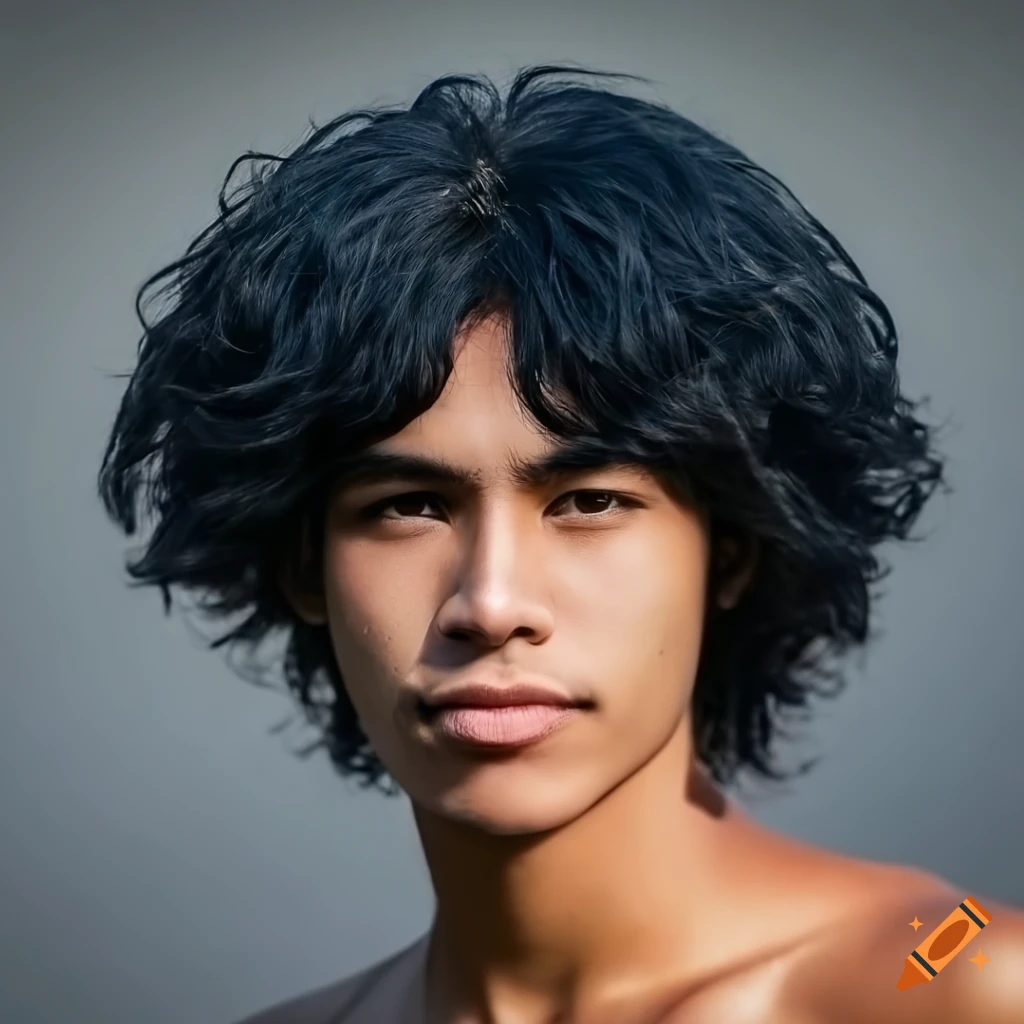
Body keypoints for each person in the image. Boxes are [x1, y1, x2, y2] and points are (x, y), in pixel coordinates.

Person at [97, 64, 1024, 1023]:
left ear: (734, 547)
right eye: (409, 506)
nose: (492, 604)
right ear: (304, 568)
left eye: (588, 500)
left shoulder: (949, 981)